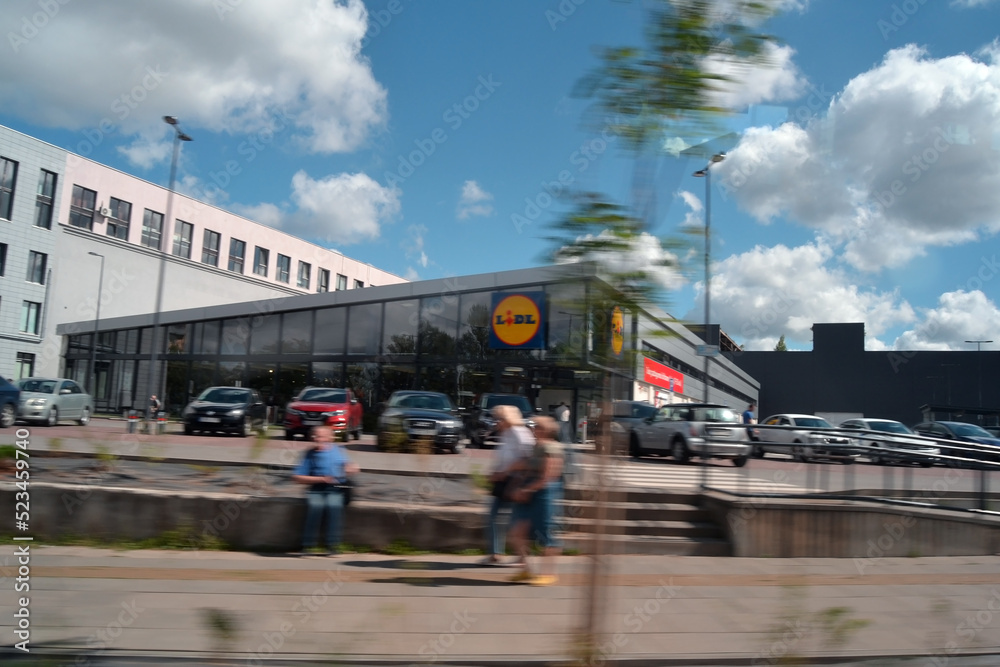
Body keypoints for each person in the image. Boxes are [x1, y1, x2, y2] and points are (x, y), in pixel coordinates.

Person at [507, 415, 564, 585]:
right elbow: (528, 469)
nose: (533, 429)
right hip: (529, 491)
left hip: (544, 493)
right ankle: (526, 570)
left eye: (537, 427)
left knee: (545, 533)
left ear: (546, 430)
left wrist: (526, 489)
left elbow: (548, 476)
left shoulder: (552, 448)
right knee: (518, 531)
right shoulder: (536, 447)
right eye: (534, 427)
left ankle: (548, 573)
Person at [292, 425, 360, 555]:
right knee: (315, 507)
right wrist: (321, 479)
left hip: (336, 488)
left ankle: (332, 545)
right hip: (317, 488)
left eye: (321, 436)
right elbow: (297, 477)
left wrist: (351, 468)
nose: (317, 438)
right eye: (315, 436)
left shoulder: (339, 450)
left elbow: (348, 465)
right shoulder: (309, 454)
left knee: (334, 507)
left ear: (330, 438)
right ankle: (307, 544)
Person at [480, 404, 534, 565]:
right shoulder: (506, 434)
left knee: (513, 520)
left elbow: (528, 459)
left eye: (499, 419)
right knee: (493, 517)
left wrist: (506, 471)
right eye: (495, 419)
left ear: (508, 418)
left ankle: (522, 555)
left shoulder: (520, 433)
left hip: (516, 482)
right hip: (503, 482)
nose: (496, 422)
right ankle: (496, 553)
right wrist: (496, 472)